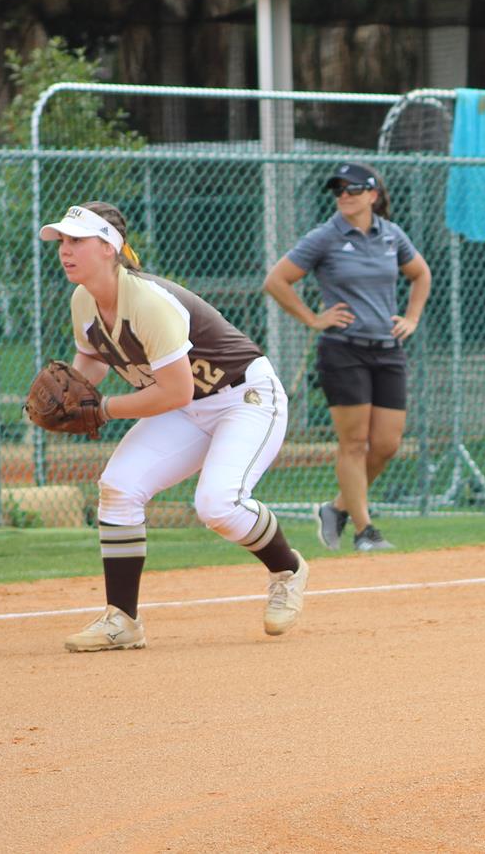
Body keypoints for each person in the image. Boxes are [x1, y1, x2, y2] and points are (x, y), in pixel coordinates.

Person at [41, 202, 308, 652]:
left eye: (77, 240)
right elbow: (93, 357)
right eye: (62, 241)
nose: (65, 250)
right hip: (186, 408)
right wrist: (69, 392)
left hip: (244, 398)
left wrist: (101, 409)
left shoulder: (148, 302)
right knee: (120, 487)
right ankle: (122, 620)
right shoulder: (84, 299)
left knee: (218, 506)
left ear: (109, 247)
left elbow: (175, 393)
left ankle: (288, 569)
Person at [263, 163, 431, 553]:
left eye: (352, 189)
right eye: (338, 190)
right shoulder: (325, 236)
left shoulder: (391, 235)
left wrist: (412, 318)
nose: (344, 196)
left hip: (387, 349)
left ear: (373, 195)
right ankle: (364, 530)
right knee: (354, 444)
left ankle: (337, 507)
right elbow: (276, 280)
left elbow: (420, 274)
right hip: (344, 350)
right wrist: (313, 319)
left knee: (387, 444)